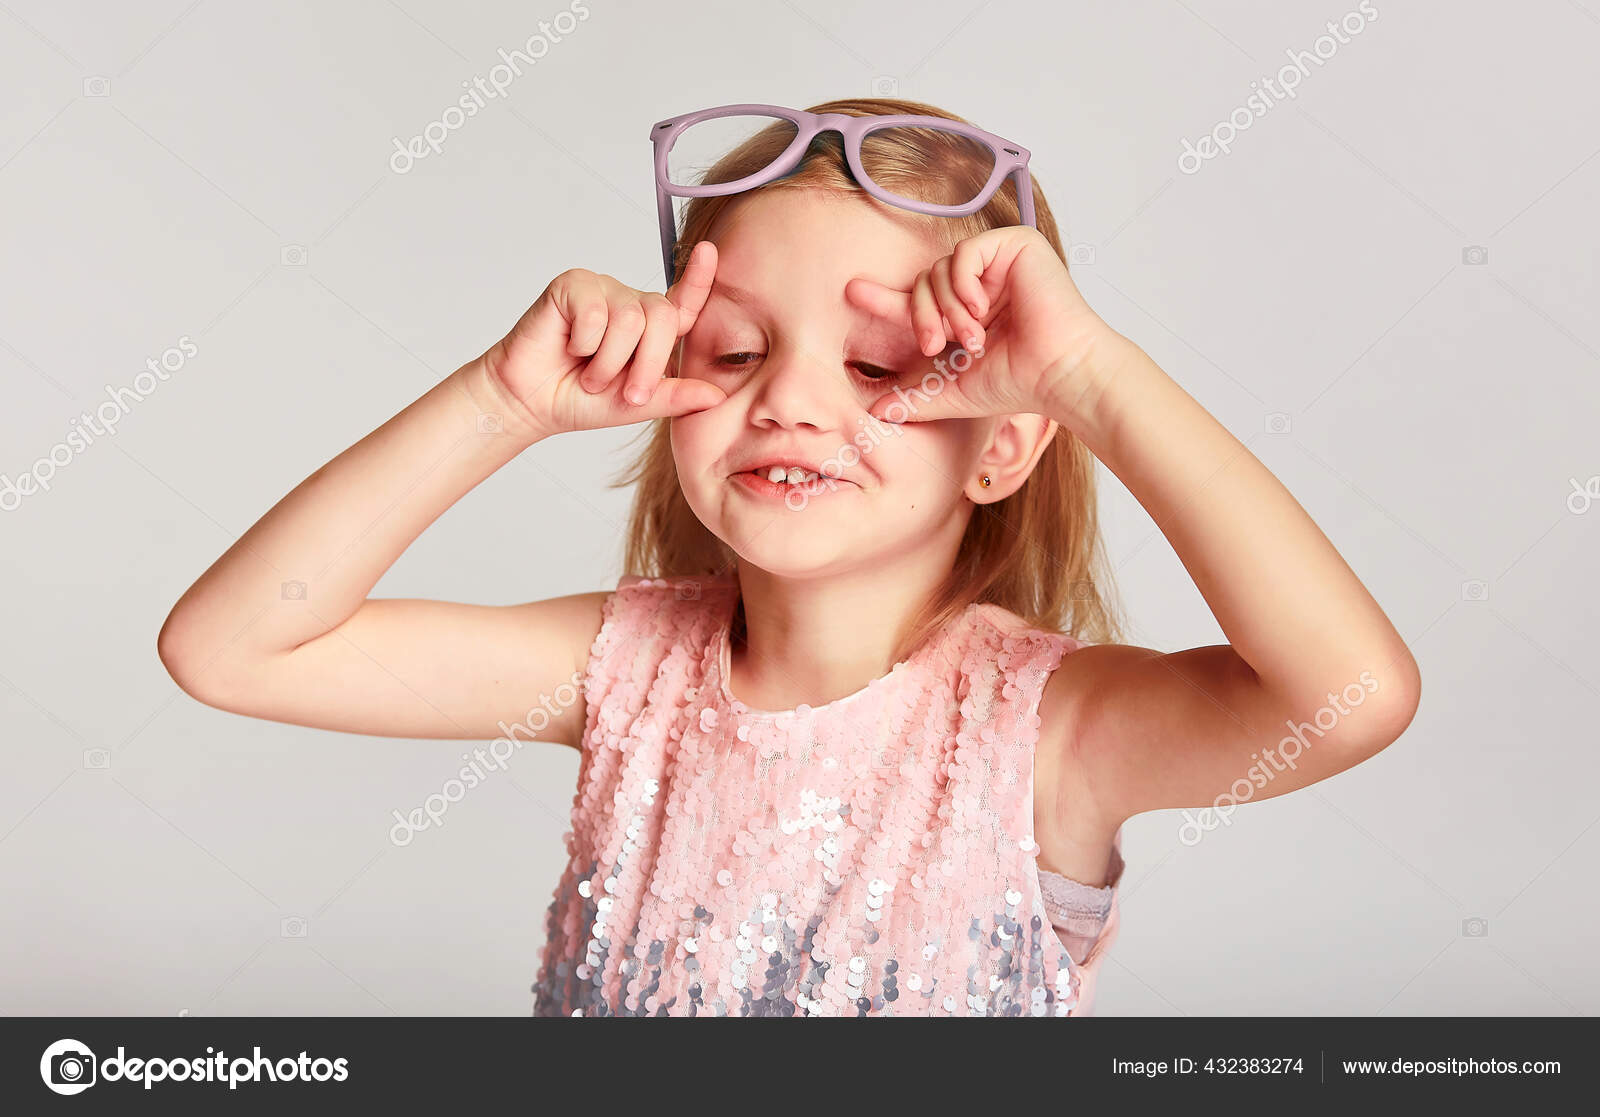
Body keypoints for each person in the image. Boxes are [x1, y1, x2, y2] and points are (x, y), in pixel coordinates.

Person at [158, 97, 1420, 1017]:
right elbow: (232, 649)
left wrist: (1091, 375)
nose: (790, 402)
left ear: (1002, 444)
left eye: (873, 366)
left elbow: (1350, 697)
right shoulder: (624, 668)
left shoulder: (1049, 733)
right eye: (735, 350)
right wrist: (501, 400)